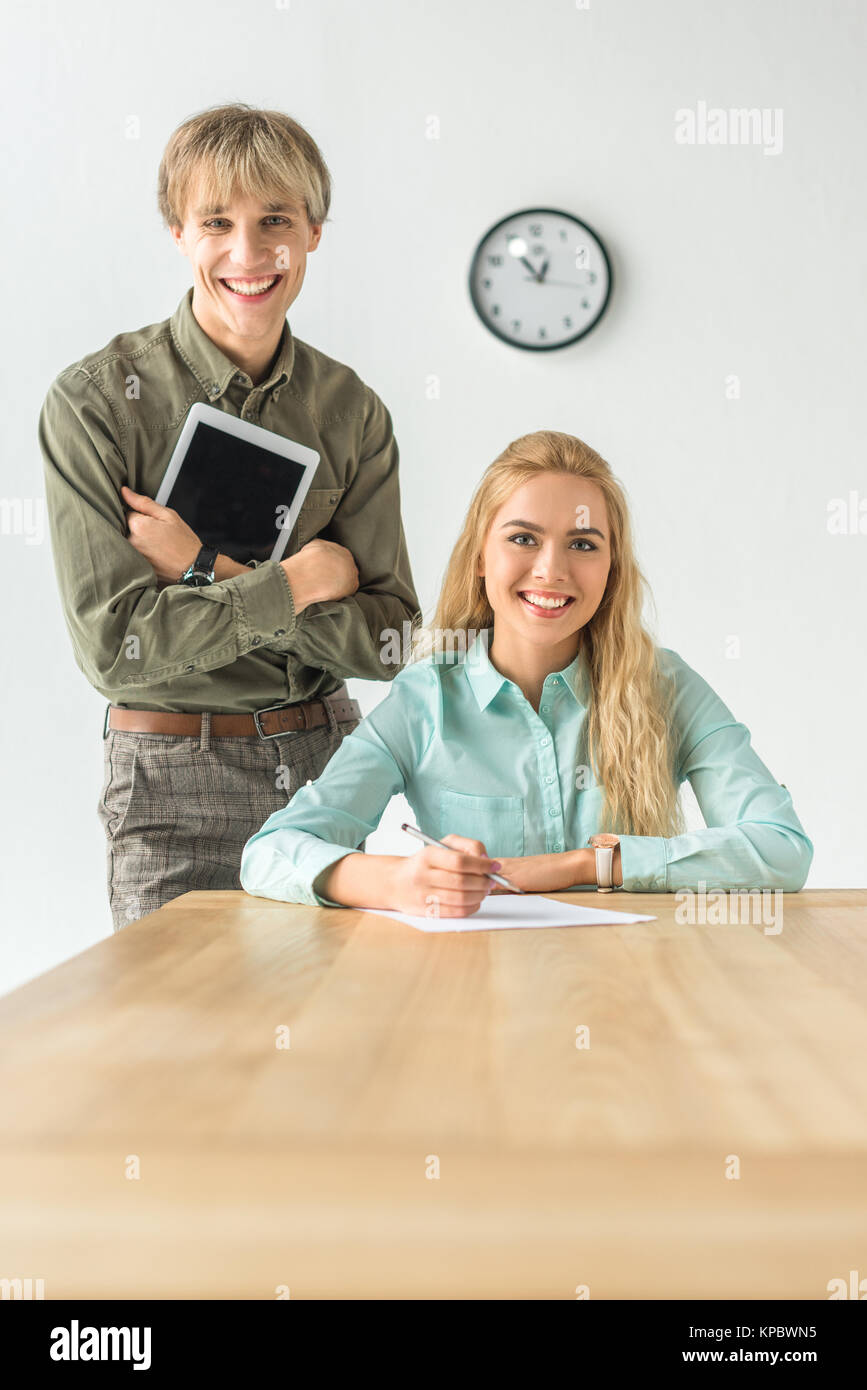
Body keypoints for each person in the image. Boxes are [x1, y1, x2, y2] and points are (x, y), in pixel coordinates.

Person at [38, 103, 420, 931]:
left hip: (326, 768)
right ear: (179, 231)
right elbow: (118, 648)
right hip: (170, 771)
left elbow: (391, 642)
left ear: (314, 231)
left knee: (329, 1042)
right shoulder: (97, 403)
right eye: (217, 222)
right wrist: (300, 584)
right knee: (179, 1044)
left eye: (274, 221)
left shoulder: (351, 412)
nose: (248, 255)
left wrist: (212, 573)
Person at [240, 430, 813, 917]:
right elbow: (271, 852)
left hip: (631, 994)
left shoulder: (665, 684)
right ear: (481, 557)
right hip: (478, 998)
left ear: (611, 570)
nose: (551, 570)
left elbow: (782, 848)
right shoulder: (426, 698)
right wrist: (397, 882)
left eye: (583, 544)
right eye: (523, 538)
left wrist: (584, 865)